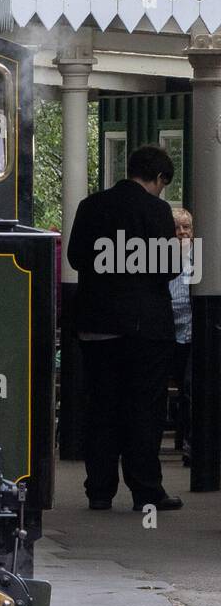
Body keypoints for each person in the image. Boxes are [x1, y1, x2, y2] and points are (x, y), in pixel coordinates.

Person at [67, 145, 183, 512]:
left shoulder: (91, 207)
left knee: (100, 407)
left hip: (96, 326)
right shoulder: (157, 210)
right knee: (142, 410)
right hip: (144, 329)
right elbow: (166, 267)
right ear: (160, 178)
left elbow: (74, 257)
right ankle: (146, 491)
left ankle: (99, 491)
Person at [168, 208, 193, 463]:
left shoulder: (200, 259)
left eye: (187, 228)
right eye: (177, 228)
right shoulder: (160, 259)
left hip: (192, 333)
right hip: (166, 334)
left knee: (190, 388)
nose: (183, 232)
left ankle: (190, 445)